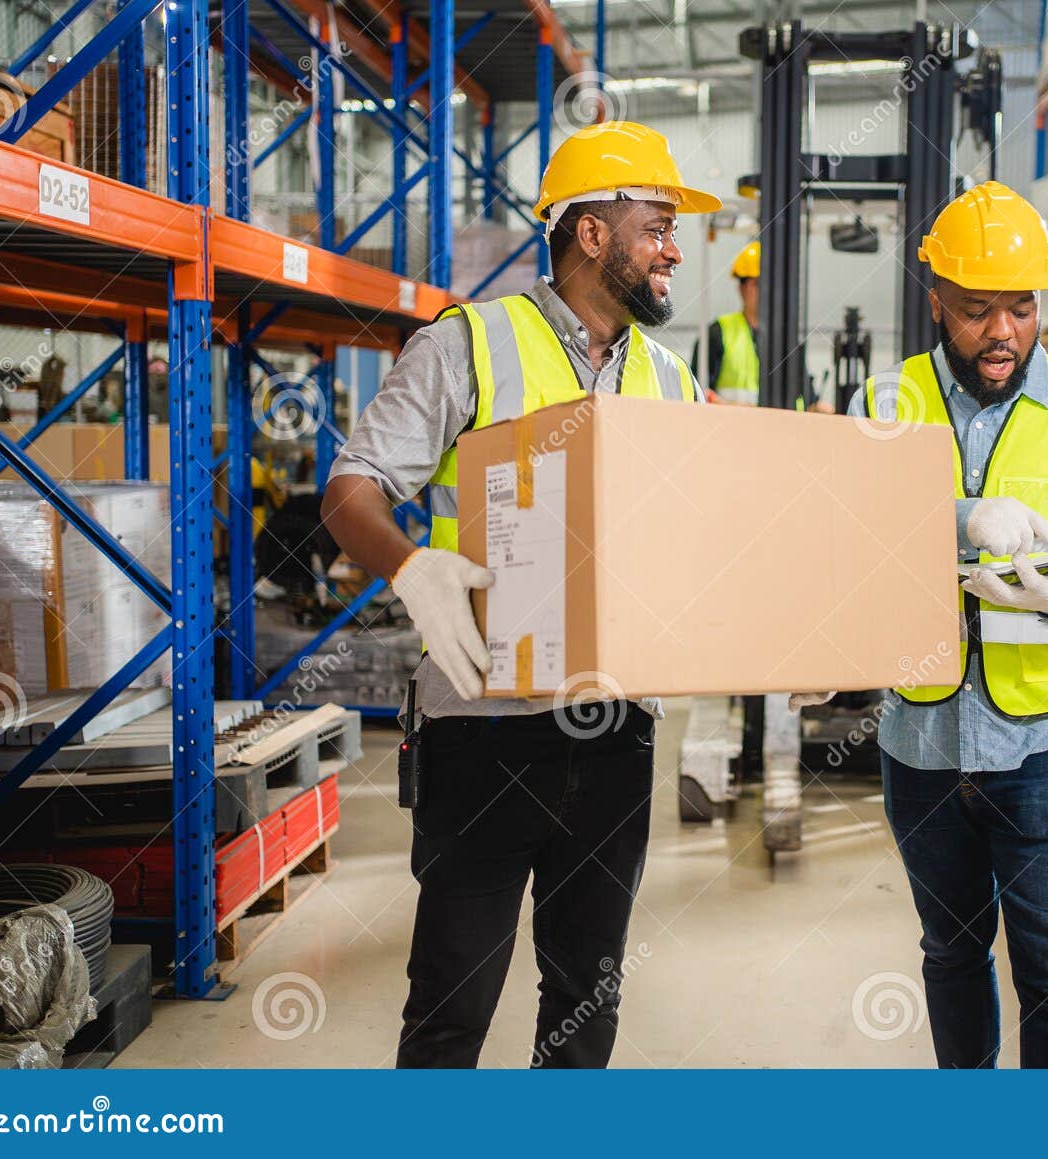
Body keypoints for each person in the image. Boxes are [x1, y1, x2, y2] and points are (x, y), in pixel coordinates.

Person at [321, 121, 719, 1069]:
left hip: (616, 734)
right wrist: (410, 568)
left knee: (585, 1006)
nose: (673, 251)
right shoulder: (471, 345)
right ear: (592, 233)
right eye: (657, 228)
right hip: (483, 733)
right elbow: (349, 490)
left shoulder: (673, 380)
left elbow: (709, 534)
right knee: (451, 1009)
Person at [797, 181, 1048, 1068]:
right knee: (950, 955)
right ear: (936, 300)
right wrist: (959, 518)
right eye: (977, 311)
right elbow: (840, 535)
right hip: (921, 746)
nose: (1002, 331)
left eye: (1021, 308)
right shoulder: (884, 403)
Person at [697, 240, 761, 404]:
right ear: (742, 288)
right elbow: (698, 394)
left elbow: (808, 399)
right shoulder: (718, 332)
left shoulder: (787, 340)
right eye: (758, 283)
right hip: (728, 422)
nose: (765, 291)